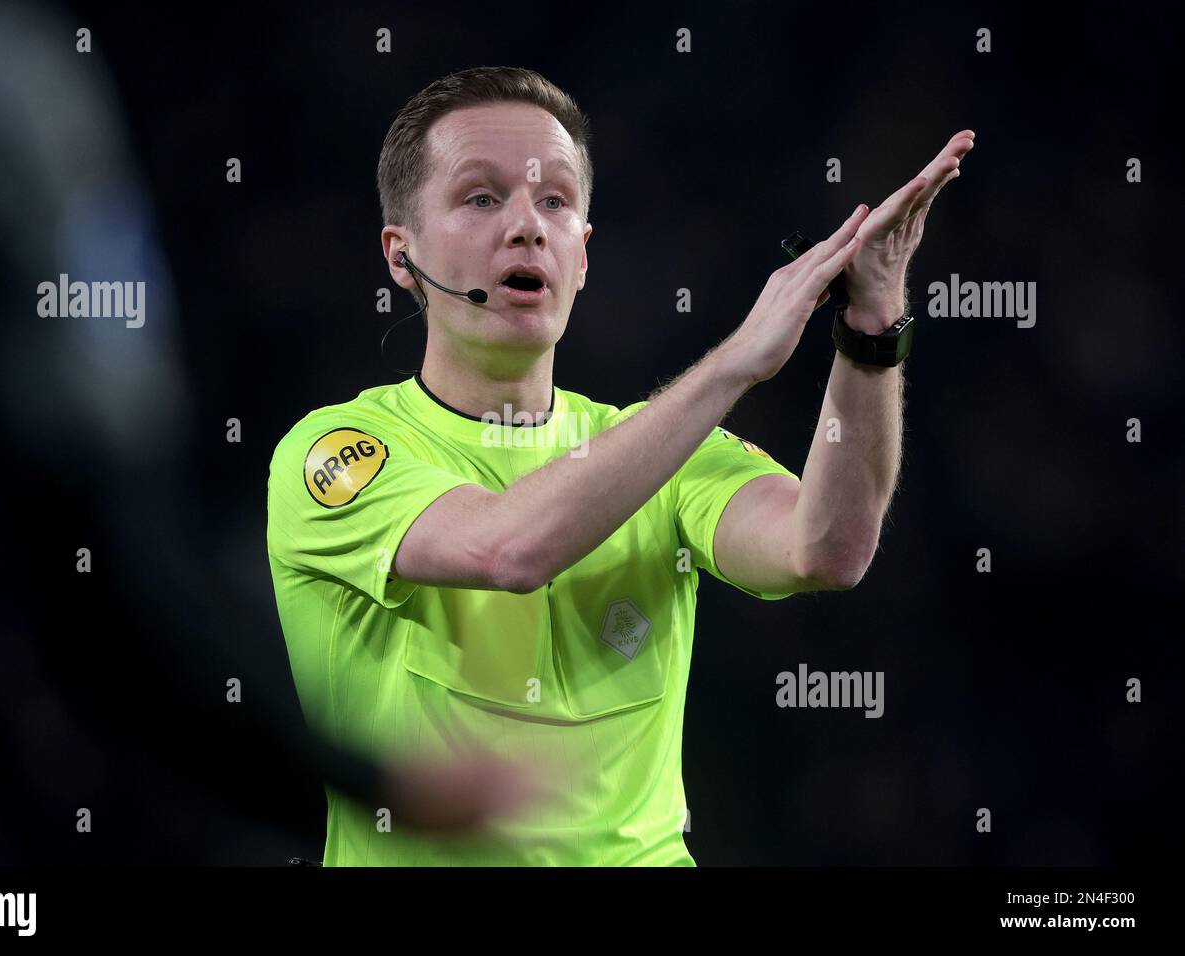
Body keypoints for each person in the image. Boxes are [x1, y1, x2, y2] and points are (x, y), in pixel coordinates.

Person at [266, 65, 973, 865]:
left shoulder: (666, 450)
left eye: (556, 201)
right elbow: (507, 550)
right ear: (402, 256)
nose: (528, 226)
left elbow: (828, 548)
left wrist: (871, 332)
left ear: (584, 254)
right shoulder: (335, 453)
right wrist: (735, 362)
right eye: (481, 197)